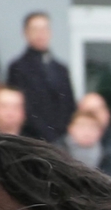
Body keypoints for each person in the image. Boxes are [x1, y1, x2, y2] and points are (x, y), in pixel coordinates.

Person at [5, 12, 76, 143]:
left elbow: (69, 104)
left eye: (44, 29)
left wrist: (61, 134)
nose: (40, 34)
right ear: (25, 33)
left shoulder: (61, 69)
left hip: (61, 139)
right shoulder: (18, 67)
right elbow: (24, 106)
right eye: (35, 29)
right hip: (31, 138)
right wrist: (47, 135)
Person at [62, 108, 111, 175]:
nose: (87, 132)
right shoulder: (58, 152)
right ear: (70, 128)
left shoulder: (107, 156)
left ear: (100, 132)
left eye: (92, 128)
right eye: (82, 126)